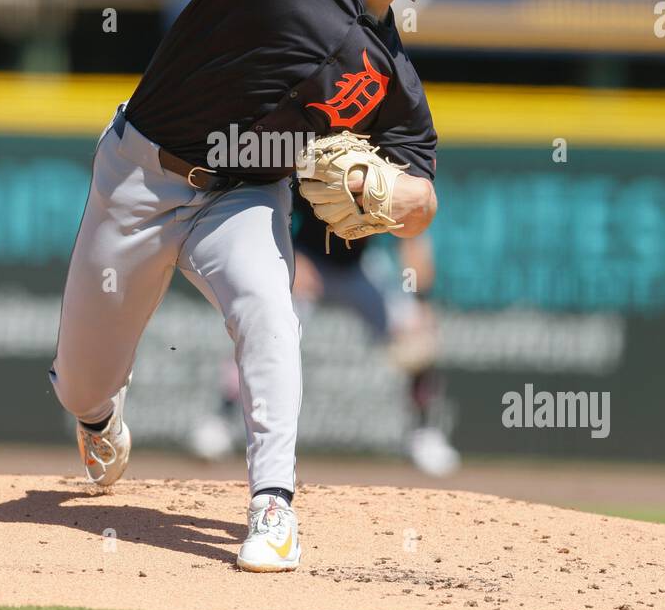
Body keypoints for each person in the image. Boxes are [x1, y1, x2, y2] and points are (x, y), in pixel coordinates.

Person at [48, 0, 485, 573]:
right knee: (84, 381)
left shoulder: (394, 74)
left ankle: (272, 507)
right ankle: (98, 421)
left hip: (243, 197)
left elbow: (425, 192)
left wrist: (395, 195)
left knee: (271, 315)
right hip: (139, 173)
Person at [189, 188, 461, 477]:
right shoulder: (314, 162)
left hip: (357, 268)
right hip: (307, 260)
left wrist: (420, 301)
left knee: (412, 328)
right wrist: (291, 257)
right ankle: (221, 420)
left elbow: (412, 237)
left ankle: (424, 434)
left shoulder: (384, 171)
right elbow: (270, 212)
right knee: (264, 326)